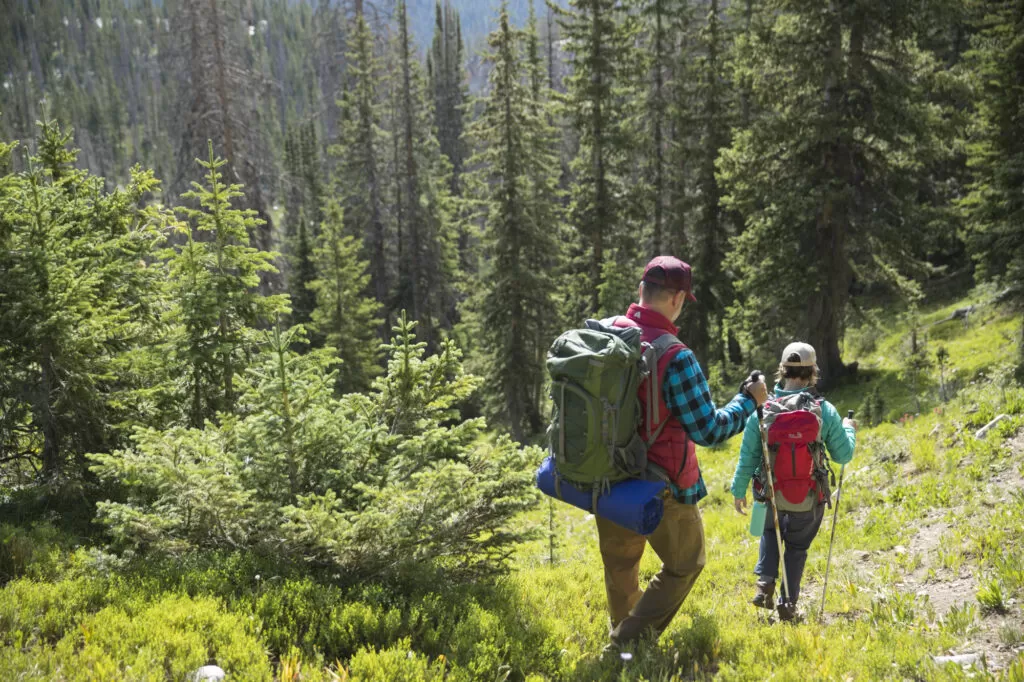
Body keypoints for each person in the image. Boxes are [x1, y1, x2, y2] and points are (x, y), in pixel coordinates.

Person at [598, 256, 768, 650]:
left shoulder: (608, 334)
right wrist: (747, 401)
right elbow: (708, 429)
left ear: (642, 290)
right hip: (661, 485)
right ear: (676, 298)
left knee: (621, 565)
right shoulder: (675, 355)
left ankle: (625, 641)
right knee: (685, 563)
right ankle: (624, 646)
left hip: (605, 475)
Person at [730, 342, 857, 620]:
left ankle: (764, 584)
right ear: (813, 372)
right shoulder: (824, 410)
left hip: (770, 495)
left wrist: (739, 490)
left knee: (768, 532)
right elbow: (843, 454)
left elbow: (748, 457)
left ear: (782, 371)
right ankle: (788, 604)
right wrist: (849, 430)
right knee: (797, 548)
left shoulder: (762, 410)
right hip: (808, 499)